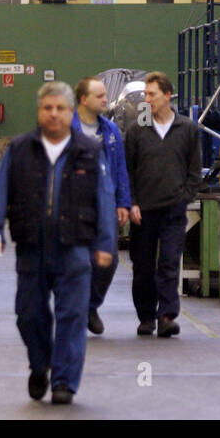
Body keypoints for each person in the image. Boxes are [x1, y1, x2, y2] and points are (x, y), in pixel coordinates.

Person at [0, 82, 116, 405]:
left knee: (72, 316)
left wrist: (105, 244)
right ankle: (40, 364)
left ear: (71, 113)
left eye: (60, 108)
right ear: (39, 112)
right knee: (28, 314)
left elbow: (105, 198)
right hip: (32, 246)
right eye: (48, 108)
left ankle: (64, 381)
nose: (54, 114)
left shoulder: (90, 151)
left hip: (75, 248)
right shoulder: (19, 149)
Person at [123, 71, 203, 338]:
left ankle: (166, 316)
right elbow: (128, 171)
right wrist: (131, 202)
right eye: (145, 94)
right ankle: (146, 316)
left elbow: (194, 170)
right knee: (143, 266)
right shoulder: (137, 131)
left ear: (168, 95)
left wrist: (185, 196)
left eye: (152, 94)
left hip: (173, 209)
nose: (147, 99)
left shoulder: (187, 130)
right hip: (142, 211)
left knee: (169, 263)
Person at [72, 76, 131, 336]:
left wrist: (123, 203)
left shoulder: (110, 131)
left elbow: (120, 169)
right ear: (84, 100)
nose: (106, 100)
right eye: (99, 96)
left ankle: (90, 306)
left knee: (109, 261)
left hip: (104, 205)